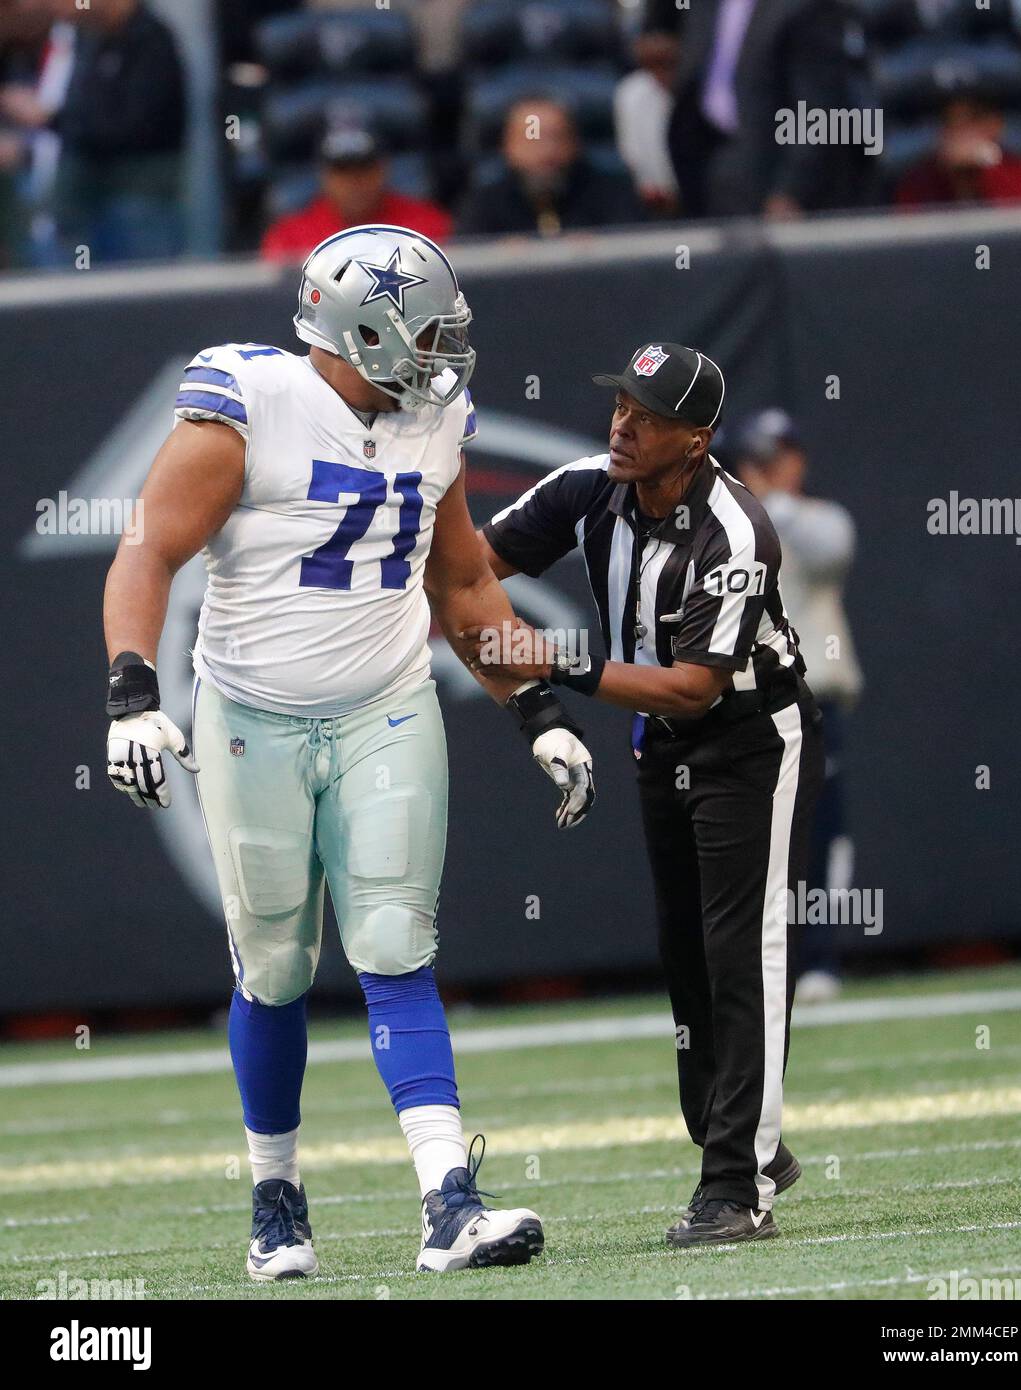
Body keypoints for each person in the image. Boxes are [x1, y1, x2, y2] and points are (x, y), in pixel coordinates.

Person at [102, 225, 595, 1279]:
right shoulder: (247, 405)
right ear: (360, 327)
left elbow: (460, 581)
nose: (444, 351)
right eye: (425, 329)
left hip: (387, 705)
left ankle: (448, 1201)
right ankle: (275, 1196)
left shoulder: (434, 418)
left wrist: (537, 707)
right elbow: (149, 547)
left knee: (395, 944)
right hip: (254, 716)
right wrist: (133, 692)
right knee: (275, 965)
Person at [470, 343, 824, 1244]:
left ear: (698, 438)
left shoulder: (736, 531)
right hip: (661, 744)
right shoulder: (589, 486)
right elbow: (473, 571)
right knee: (686, 958)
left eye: (650, 414)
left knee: (741, 953)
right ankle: (742, 1136)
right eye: (622, 404)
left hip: (750, 738)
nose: (624, 424)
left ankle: (737, 1187)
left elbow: (696, 684)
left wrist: (553, 658)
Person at [730, 410, 862, 1003]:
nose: (768, 469)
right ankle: (760, 963)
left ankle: (820, 957)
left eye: (775, 456)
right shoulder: (724, 525)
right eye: (757, 458)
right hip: (745, 700)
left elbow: (830, 549)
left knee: (818, 831)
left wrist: (767, 499)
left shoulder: (819, 518)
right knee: (750, 834)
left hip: (813, 699)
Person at [0, 0, 185, 263]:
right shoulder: (92, 42)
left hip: (139, 201)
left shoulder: (150, 40)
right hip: (89, 204)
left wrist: (49, 119)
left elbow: (132, 127)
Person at [667, 0, 856, 220]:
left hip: (766, 173)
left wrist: (791, 190)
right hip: (704, 170)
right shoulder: (703, 6)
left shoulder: (806, 7)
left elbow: (819, 107)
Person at [456, 96, 644, 237]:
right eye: (531, 140)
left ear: (575, 143)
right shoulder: (483, 205)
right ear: (507, 147)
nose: (545, 153)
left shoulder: (613, 195)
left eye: (556, 138)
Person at [260, 126, 452, 262]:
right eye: (343, 171)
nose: (354, 182)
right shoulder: (289, 238)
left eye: (364, 168)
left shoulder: (426, 226)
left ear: (383, 169)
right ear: (324, 176)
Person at [896, 93, 1021, 209]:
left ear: (996, 124)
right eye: (950, 121)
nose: (962, 130)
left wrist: (987, 171)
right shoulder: (916, 183)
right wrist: (957, 182)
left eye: (973, 119)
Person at [613, 29, 680, 216]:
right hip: (653, 199)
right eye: (653, 63)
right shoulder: (632, 92)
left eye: (666, 62)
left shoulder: (700, 87)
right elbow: (631, 152)